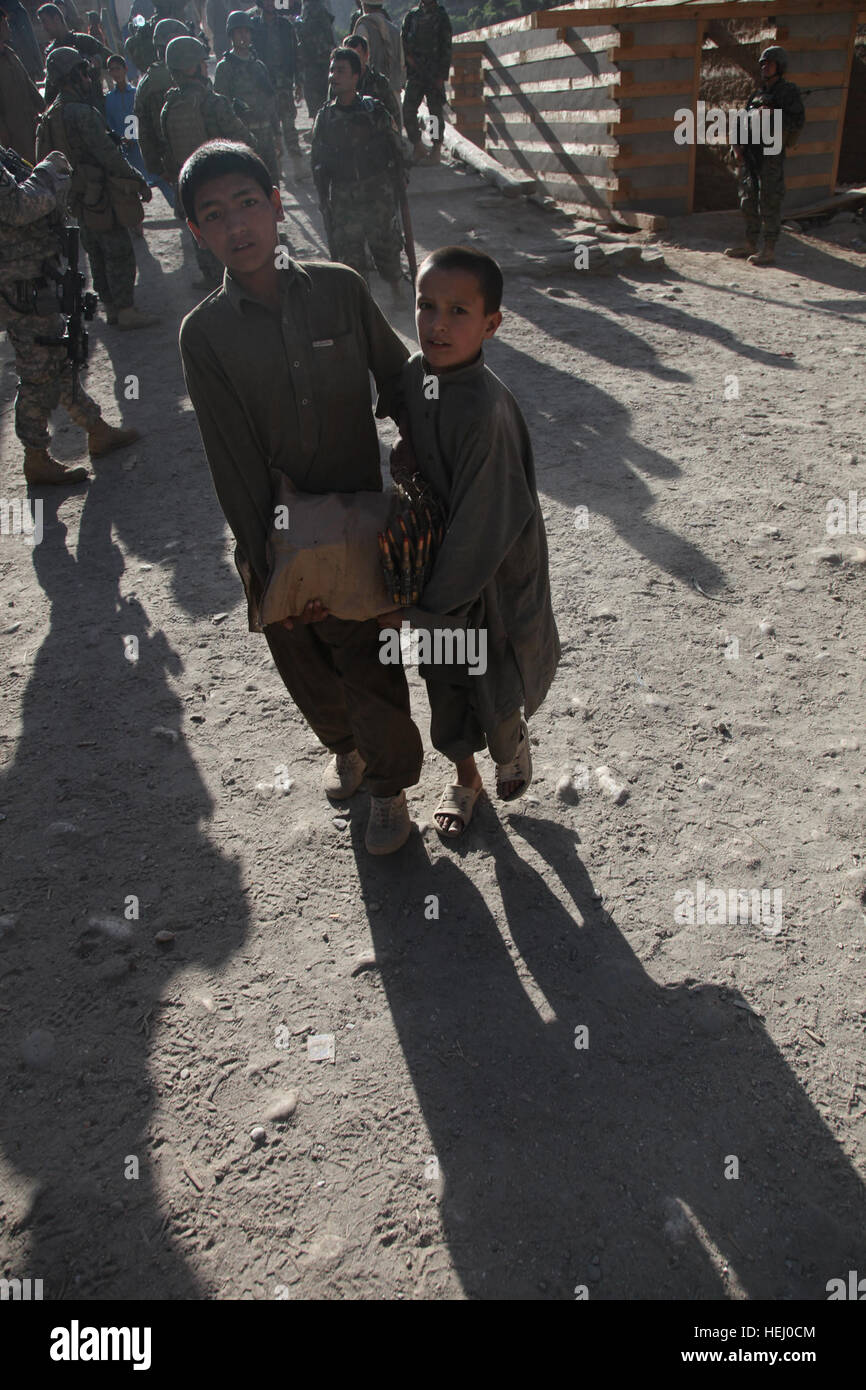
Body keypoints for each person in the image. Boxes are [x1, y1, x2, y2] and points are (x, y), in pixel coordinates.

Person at [178, 140, 423, 854]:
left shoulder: (340, 288)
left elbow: (399, 377)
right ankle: (346, 748)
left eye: (249, 203)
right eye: (215, 214)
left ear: (277, 203)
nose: (238, 225)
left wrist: (430, 453)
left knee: (373, 665)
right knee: (307, 661)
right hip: (273, 535)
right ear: (196, 232)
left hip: (358, 525)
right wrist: (270, 565)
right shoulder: (206, 336)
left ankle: (387, 788)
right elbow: (229, 456)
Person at [384, 245, 559, 837]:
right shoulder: (416, 374)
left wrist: (432, 608)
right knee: (443, 682)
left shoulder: (486, 410)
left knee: (493, 679)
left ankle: (509, 747)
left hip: (490, 568)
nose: (438, 324)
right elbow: (409, 422)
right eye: (426, 305)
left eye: (459, 311)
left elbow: (487, 519)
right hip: (438, 564)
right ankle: (466, 777)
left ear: (491, 325)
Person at [0, 144, 139, 484]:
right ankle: (36, 456)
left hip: (30, 276)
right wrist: (48, 172)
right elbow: (15, 207)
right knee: (37, 371)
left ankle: (95, 428)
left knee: (59, 356)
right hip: (17, 284)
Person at [36, 46, 158, 326]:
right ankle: (126, 309)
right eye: (84, 72)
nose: (89, 78)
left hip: (75, 197)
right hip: (100, 194)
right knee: (118, 249)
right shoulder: (81, 113)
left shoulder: (50, 116)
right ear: (74, 75)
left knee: (95, 252)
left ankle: (111, 307)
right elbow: (108, 154)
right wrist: (137, 179)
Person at [311, 45, 405, 302]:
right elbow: (317, 158)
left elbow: (396, 145)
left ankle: (397, 290)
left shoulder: (374, 111)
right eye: (332, 71)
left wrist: (399, 174)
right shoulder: (325, 117)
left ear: (356, 76)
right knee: (350, 259)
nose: (334, 76)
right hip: (343, 196)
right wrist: (322, 195)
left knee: (386, 249)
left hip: (377, 192)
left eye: (341, 71)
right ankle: (364, 307)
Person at [159, 32, 251, 282]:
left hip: (189, 182)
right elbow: (245, 141)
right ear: (191, 67)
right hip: (221, 184)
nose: (204, 66)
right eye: (201, 62)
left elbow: (167, 149)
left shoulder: (168, 107)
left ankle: (211, 279)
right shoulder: (213, 102)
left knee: (202, 233)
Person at [725, 45, 804, 267]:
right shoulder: (758, 94)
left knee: (769, 200)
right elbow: (744, 120)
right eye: (762, 63)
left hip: (770, 153)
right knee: (747, 199)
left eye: (769, 63)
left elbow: (797, 121)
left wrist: (773, 114)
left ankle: (768, 249)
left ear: (780, 66)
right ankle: (750, 243)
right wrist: (737, 146)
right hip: (751, 154)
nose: (765, 67)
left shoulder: (788, 92)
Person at [244, 0, 306, 182]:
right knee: (270, 129)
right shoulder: (253, 26)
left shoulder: (286, 26)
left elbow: (295, 54)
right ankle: (277, 169)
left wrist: (298, 81)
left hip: (284, 84)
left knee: (289, 125)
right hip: (264, 86)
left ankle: (297, 166)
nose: (271, 4)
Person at [214, 10, 279, 182]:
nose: (243, 36)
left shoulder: (258, 65)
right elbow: (221, 107)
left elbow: (271, 101)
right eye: (239, 32)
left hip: (266, 134)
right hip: (243, 136)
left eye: (247, 31)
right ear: (231, 36)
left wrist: (277, 134)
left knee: (272, 184)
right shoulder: (225, 68)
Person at [132, 12, 185, 204]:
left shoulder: (146, 82)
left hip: (169, 161)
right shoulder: (191, 73)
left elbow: (139, 129)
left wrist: (155, 166)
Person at [401, 0, 450, 164]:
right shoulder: (412, 16)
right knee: (407, 109)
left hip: (434, 74)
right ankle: (418, 146)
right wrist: (409, 61)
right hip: (415, 74)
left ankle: (436, 150)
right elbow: (403, 42)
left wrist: (441, 76)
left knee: (435, 114)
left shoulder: (441, 16)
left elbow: (446, 47)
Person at [38, 1, 110, 108]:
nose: (44, 27)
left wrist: (96, 60)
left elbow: (110, 58)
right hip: (69, 112)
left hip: (94, 105)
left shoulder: (83, 41)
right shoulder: (51, 54)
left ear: (57, 19)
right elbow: (50, 90)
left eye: (45, 22)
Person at [0, 3, 44, 162]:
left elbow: (28, 85)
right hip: (12, 136)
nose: (8, 26)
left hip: (30, 125)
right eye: (3, 23)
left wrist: (43, 108)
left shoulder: (11, 55)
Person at [342, 30, 398, 131]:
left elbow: (394, 115)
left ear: (366, 55)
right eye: (349, 58)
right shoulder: (340, 83)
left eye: (357, 56)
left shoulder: (379, 82)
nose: (353, 62)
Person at [351, 1, 401, 101]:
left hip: (370, 93)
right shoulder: (395, 30)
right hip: (393, 91)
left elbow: (358, 61)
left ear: (363, 5)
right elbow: (401, 63)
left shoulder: (363, 28)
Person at [296, 0, 333, 120]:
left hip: (318, 64)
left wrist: (298, 25)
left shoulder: (314, 8)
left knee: (321, 105)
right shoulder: (310, 7)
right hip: (315, 63)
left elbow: (309, 32)